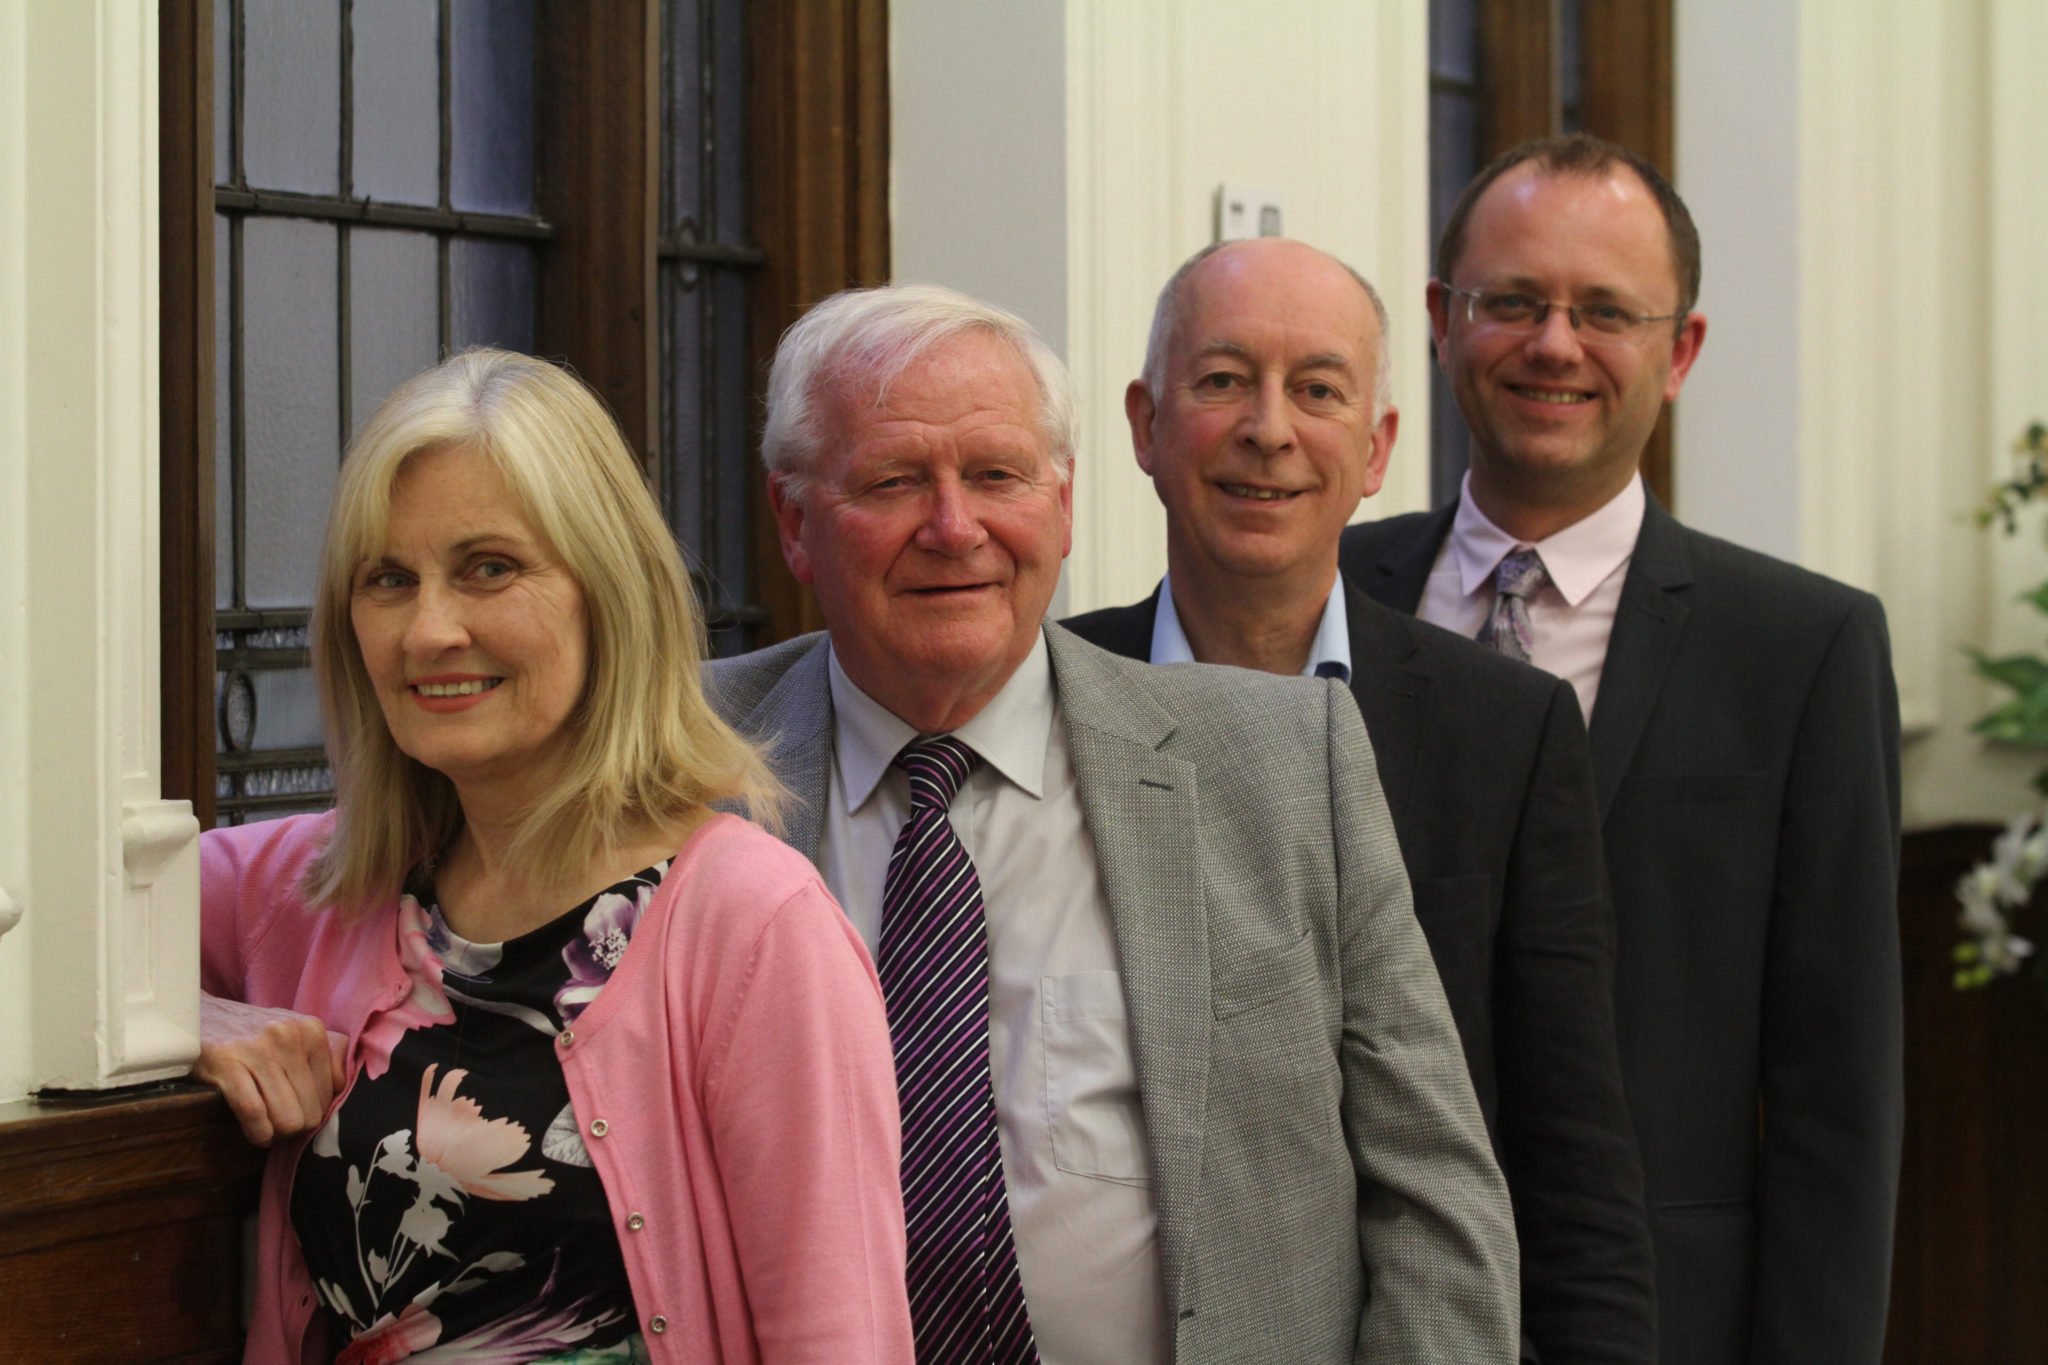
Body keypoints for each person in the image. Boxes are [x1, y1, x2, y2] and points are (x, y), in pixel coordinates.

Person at [706, 283, 1519, 1365]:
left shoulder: (1282, 765)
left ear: (1063, 501)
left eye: (996, 476)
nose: (954, 528)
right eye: (894, 481)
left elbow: (1437, 1202)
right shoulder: (675, 768)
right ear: (793, 521)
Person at [193, 349, 912, 1365]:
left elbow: (839, 1341)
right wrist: (186, 1018)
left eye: (489, 568)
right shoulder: (316, 889)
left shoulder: (753, 928)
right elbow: (37, 928)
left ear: (605, 594)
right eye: (388, 580)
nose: (430, 629)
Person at [1340, 134, 1904, 1365]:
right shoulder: (1325, 595)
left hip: (1666, 1321)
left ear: (1678, 350)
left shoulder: (1802, 649)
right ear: (1442, 322)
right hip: (1349, 1307)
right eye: (1513, 302)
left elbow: (1835, 1098)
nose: (1554, 345)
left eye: (1605, 311)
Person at [1064, 235, 1655, 1363]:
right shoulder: (1047, 707)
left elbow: (1570, 1157)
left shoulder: (1504, 734)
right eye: (1223, 380)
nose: (1268, 430)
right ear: (1144, 425)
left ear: (1377, 447)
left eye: (1317, 390)